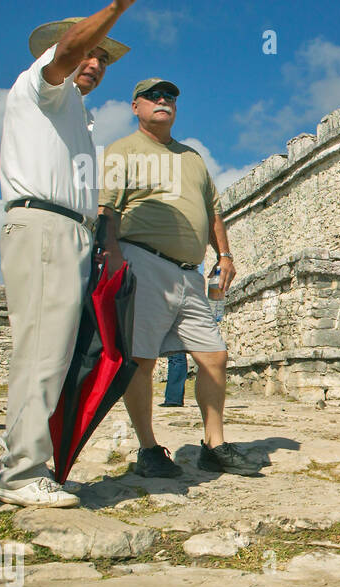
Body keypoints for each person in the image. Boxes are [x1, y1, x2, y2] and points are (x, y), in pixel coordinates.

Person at [0, 0, 141, 508]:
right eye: (89, 53)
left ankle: (32, 462)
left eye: (104, 59)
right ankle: (19, 471)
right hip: (45, 226)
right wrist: (117, 7)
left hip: (71, 233)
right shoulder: (42, 85)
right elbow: (68, 53)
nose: (95, 64)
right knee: (42, 349)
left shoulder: (76, 114)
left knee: (60, 349)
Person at [99, 78, 259, 478]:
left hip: (190, 272)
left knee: (214, 356)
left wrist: (224, 254)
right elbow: (107, 209)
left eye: (169, 96)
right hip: (143, 260)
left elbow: (213, 211)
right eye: (152, 96)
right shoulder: (124, 150)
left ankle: (214, 445)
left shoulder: (192, 157)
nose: (162, 101)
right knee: (142, 360)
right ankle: (149, 449)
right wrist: (113, 256)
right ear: (135, 107)